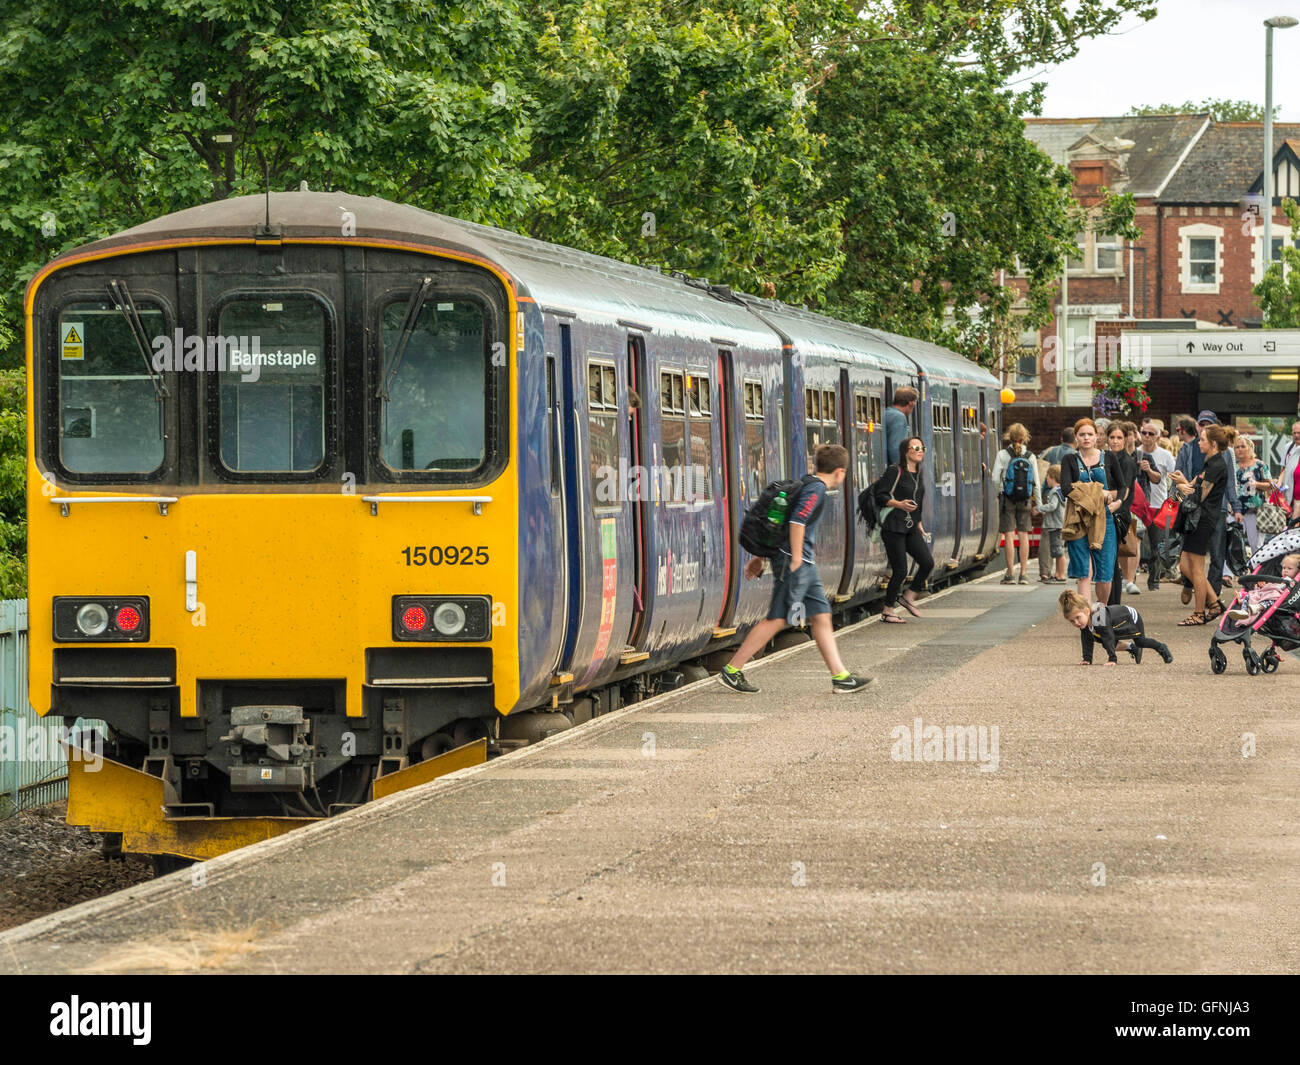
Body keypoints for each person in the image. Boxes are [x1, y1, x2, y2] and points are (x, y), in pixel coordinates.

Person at [720, 444, 873, 694]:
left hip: (804, 563)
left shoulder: (808, 482)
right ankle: (732, 670)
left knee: (822, 616)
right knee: (778, 618)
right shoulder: (817, 488)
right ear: (840, 472)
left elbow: (780, 520)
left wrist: (761, 557)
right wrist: (797, 558)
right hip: (797, 562)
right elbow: (796, 520)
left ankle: (840, 676)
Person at [1170, 424, 1230, 626]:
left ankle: (1199, 613)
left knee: (1196, 568)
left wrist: (1182, 485)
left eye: (1203, 439)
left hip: (1203, 520)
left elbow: (1198, 496)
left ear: (1213, 443)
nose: (1199, 442)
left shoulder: (1216, 465)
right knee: (1184, 565)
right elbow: (1195, 487)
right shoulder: (1210, 462)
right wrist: (1184, 482)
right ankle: (1214, 603)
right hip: (1197, 519)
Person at [1059, 417, 1123, 606]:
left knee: (1105, 573)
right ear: (1076, 438)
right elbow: (1066, 488)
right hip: (1077, 518)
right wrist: (1099, 492)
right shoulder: (1069, 459)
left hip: (1104, 518)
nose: (1086, 438)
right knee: (1083, 571)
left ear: (1097, 437)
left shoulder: (1109, 457)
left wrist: (1116, 500)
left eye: (1090, 434)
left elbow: (1121, 487)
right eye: (1082, 434)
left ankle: (1101, 613)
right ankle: (1086, 618)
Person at [873, 437, 934, 623]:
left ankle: (908, 597)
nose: (920, 450)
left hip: (910, 526)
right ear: (905, 451)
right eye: (916, 447)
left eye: (921, 447)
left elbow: (918, 500)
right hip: (893, 526)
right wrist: (899, 504)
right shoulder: (895, 471)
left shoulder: (918, 473)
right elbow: (880, 495)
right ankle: (888, 610)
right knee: (900, 570)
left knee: (927, 562)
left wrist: (919, 523)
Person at [1059, 589, 1173, 666]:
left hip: (1130, 616)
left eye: (1078, 618)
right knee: (1100, 639)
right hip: (1116, 624)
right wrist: (1087, 659)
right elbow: (1087, 640)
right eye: (1072, 621)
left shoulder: (1099, 617)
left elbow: (1108, 636)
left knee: (1141, 641)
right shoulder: (1084, 622)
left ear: (1087, 611)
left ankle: (1161, 647)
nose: (1076, 623)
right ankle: (1132, 648)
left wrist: (1112, 659)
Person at [991, 422, 1041, 584]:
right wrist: (1038, 503)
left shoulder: (1002, 454)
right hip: (1025, 499)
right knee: (1024, 534)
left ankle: (1010, 573)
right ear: (1025, 438)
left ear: (1009, 437)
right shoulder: (1031, 456)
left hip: (1007, 499)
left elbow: (994, 478)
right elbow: (1036, 482)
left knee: (1009, 535)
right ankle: (1024, 573)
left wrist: (998, 493)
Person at [1136, 421, 1176, 589]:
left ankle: (1154, 581)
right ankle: (1130, 579)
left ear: (1158, 437)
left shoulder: (1166, 455)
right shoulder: (1134, 453)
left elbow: (1173, 479)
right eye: (1144, 433)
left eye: (1151, 434)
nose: (1146, 436)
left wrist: (1174, 503)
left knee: (1157, 544)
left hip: (1159, 504)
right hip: (1137, 504)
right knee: (1134, 542)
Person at [1111, 421, 1141, 599]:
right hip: (1110, 512)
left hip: (1120, 513)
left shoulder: (1127, 462)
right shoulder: (1107, 458)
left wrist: (1106, 495)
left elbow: (1126, 490)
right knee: (1111, 561)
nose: (1115, 441)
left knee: (1114, 558)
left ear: (1125, 439)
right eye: (1112, 437)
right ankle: (1111, 601)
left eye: (1119, 438)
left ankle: (1114, 602)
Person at [1226, 552, 1300, 623]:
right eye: (1284, 568)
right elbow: (1273, 587)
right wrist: (1264, 586)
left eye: (1289, 568)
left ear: (1297, 571)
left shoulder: (1292, 582)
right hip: (1266, 594)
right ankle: (1244, 610)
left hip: (1274, 599)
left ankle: (1257, 607)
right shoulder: (1281, 579)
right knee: (1252, 594)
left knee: (1269, 600)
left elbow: (1279, 589)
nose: (1285, 570)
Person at [1233, 435, 1273, 552]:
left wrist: (1256, 484)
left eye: (1243, 446)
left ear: (1250, 448)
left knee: (1256, 545)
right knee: (1233, 544)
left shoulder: (1260, 465)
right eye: (1237, 447)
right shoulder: (1232, 465)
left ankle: (1257, 569)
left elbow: (1271, 485)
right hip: (1235, 511)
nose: (1239, 449)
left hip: (1255, 510)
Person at [1035, 464, 1067, 583]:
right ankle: (1058, 574)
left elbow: (1053, 506)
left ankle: (1061, 574)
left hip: (1054, 525)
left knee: (1059, 552)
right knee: (1057, 550)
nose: (1046, 478)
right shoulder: (1062, 490)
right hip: (1059, 524)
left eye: (1047, 476)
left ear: (1053, 477)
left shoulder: (1054, 491)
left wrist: (1040, 508)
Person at [883, 387, 918, 470]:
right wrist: (904, 470)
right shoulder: (899, 417)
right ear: (911, 403)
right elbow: (896, 449)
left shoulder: (886, 413)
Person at [1279, 420, 1300, 506]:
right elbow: (1284, 468)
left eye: (1299, 433)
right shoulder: (1288, 447)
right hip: (1289, 492)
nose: (1296, 435)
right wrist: (1279, 483)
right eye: (1294, 433)